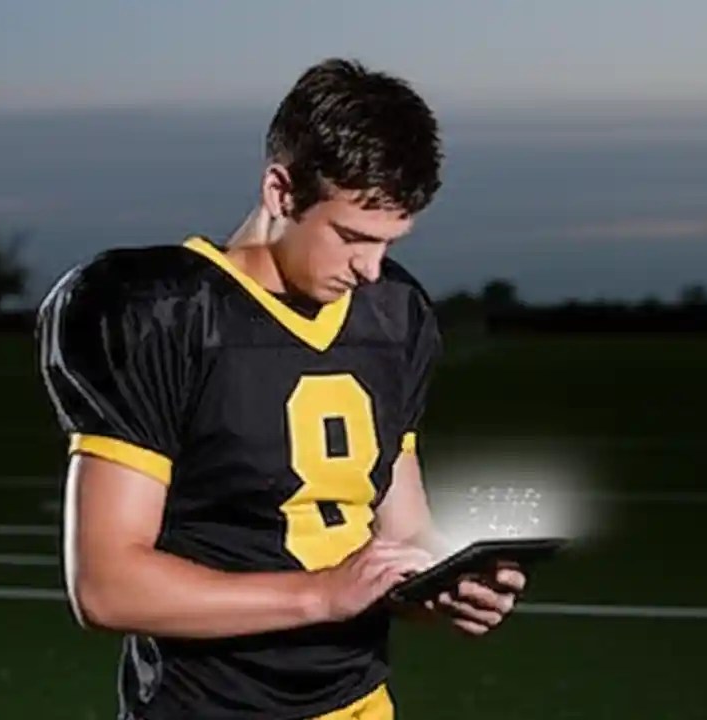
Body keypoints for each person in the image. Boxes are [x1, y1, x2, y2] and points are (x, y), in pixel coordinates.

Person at [37, 58, 527, 720]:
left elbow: (404, 529)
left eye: (389, 241)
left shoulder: (396, 314)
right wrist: (320, 595)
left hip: (357, 705)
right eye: (351, 235)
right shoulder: (164, 312)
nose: (370, 267)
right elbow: (107, 586)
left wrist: (442, 587)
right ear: (280, 191)